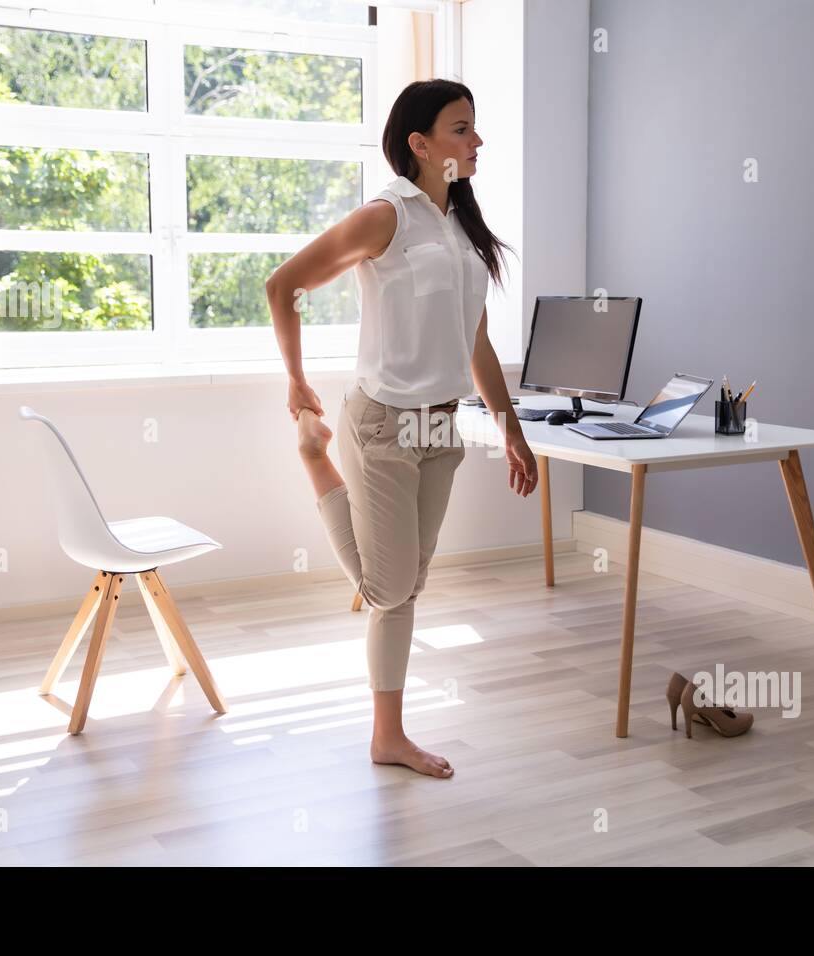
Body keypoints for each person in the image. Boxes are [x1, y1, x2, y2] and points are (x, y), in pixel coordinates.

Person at [266, 79, 538, 778]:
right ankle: (387, 736)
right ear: (419, 145)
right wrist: (296, 380)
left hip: (442, 430)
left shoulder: (461, 232)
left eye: (474, 130)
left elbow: (474, 342)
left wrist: (512, 430)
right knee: (391, 591)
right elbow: (284, 284)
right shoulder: (387, 215)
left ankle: (314, 461)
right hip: (383, 424)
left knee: (407, 581)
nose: (476, 142)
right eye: (460, 129)